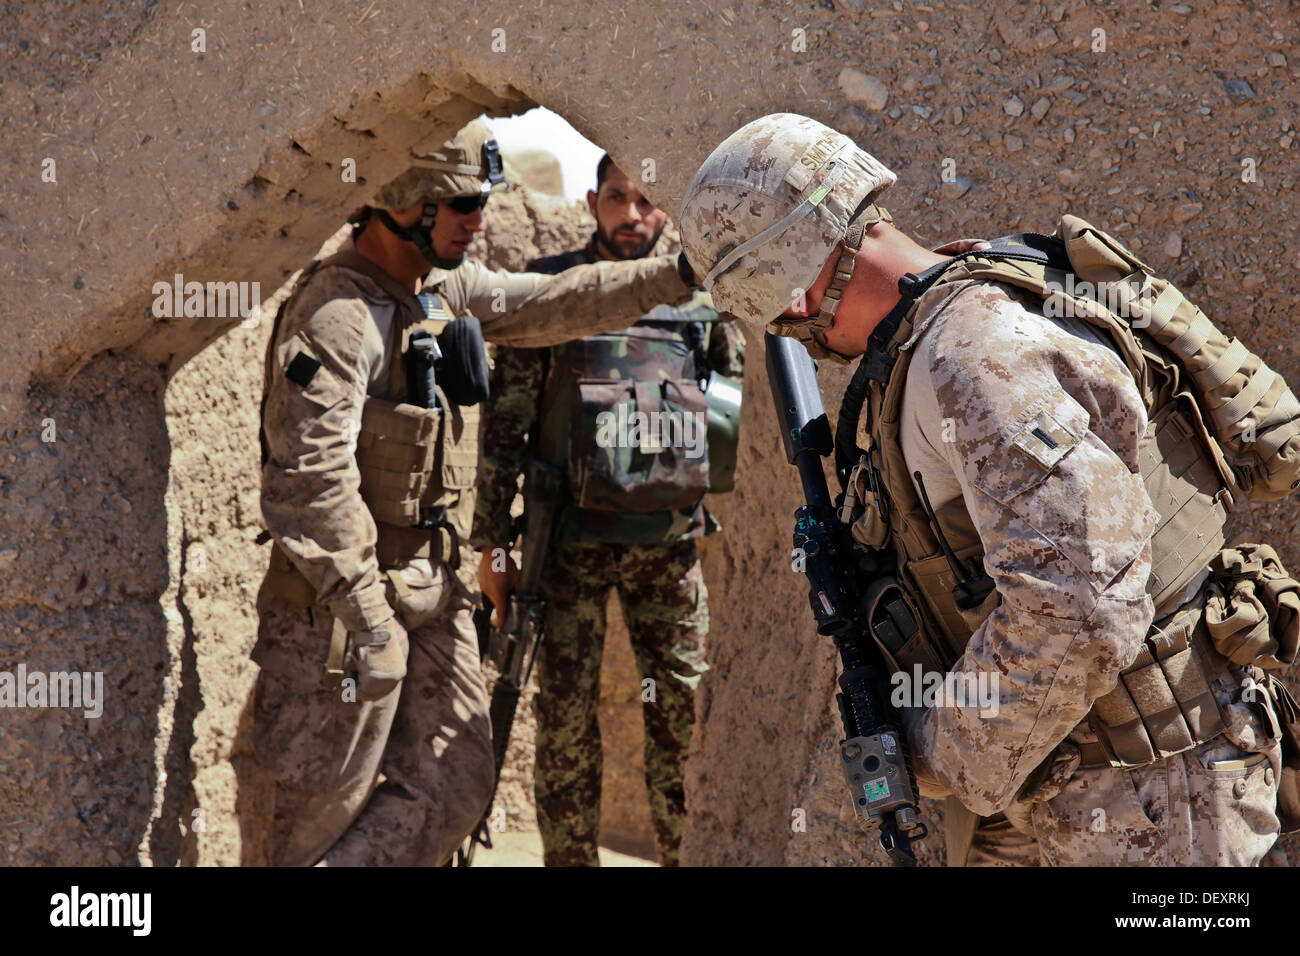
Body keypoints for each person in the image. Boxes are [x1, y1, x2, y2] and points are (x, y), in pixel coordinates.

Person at [677, 112, 1300, 866]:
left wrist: (939, 752)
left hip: (1154, 789)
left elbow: (1081, 604)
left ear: (790, 297)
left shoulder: (972, 353)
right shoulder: (939, 331)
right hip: (1085, 769)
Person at [247, 119, 698, 867]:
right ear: (403, 202)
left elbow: (557, 299)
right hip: (341, 604)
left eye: (483, 201)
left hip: (429, 585)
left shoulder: (443, 289)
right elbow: (306, 480)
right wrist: (367, 617)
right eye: (459, 203)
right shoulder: (336, 315)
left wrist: (679, 276)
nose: (477, 220)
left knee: (457, 787)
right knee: (320, 812)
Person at [474, 155, 746, 866]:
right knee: (565, 720)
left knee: (680, 718)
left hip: (668, 544)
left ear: (666, 212)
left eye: (647, 202)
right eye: (617, 199)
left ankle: (685, 854)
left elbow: (727, 402)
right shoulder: (553, 290)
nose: (632, 216)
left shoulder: (699, 296)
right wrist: (494, 545)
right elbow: (504, 427)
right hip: (567, 545)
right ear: (593, 202)